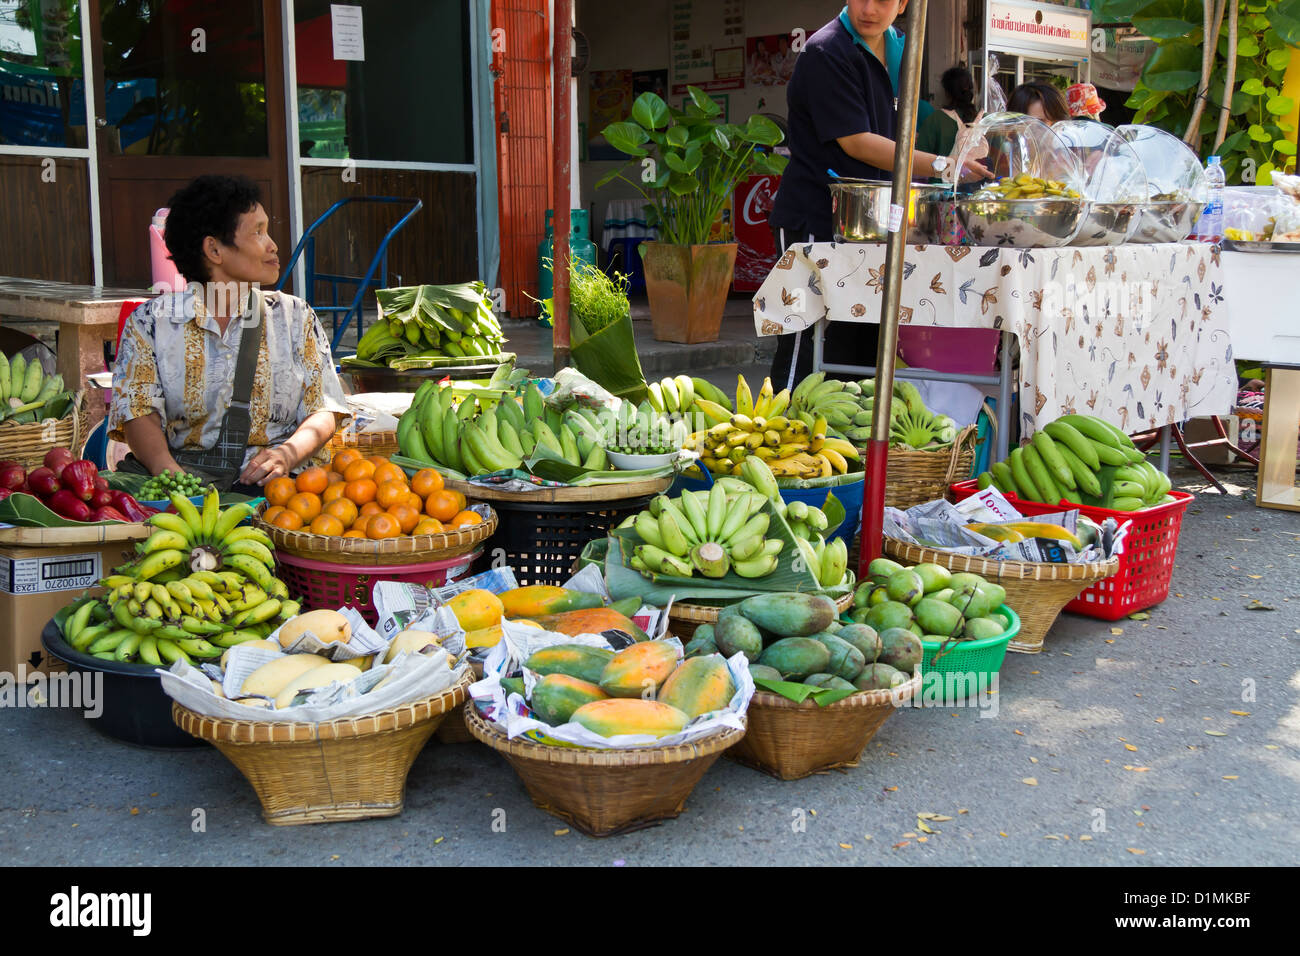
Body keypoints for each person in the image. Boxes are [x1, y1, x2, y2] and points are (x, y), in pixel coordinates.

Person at [767, 0, 990, 388]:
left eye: (884, 0)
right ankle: (782, 435)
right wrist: (942, 164)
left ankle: (849, 443)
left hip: (873, 220)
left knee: (861, 345)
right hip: (814, 215)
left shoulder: (902, 46)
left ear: (904, 3)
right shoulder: (826, 51)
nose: (869, 9)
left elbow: (906, 122)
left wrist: (960, 145)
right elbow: (857, 142)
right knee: (806, 341)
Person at [109, 175, 348, 492]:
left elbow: (324, 409)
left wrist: (285, 456)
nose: (273, 245)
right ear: (214, 249)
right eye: (258, 232)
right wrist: (173, 479)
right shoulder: (151, 324)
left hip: (284, 493)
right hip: (187, 485)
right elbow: (137, 413)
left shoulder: (294, 317)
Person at [915, 66, 981, 173]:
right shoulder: (983, 120)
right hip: (979, 187)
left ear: (946, 92)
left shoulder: (935, 119)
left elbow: (918, 161)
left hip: (942, 187)